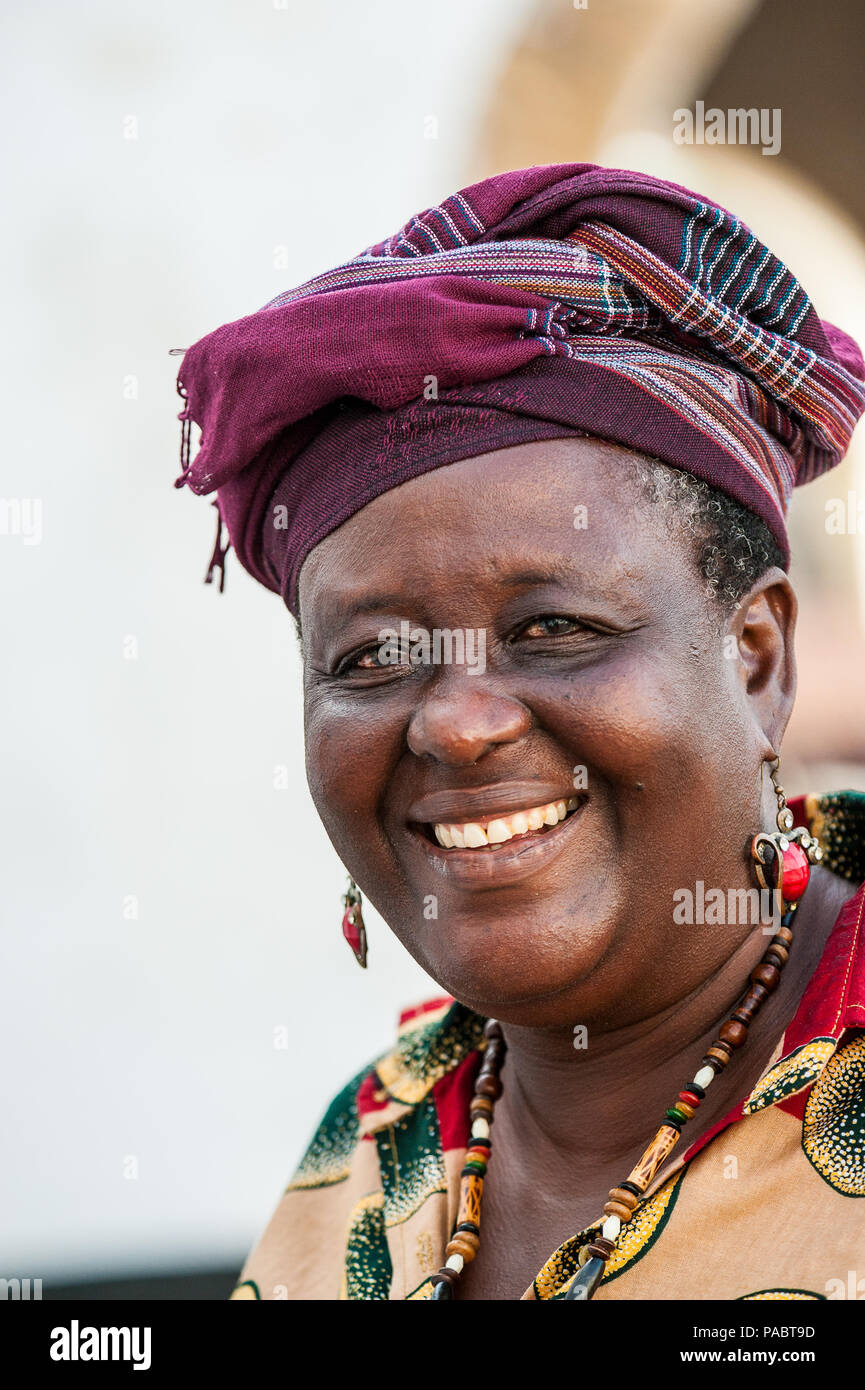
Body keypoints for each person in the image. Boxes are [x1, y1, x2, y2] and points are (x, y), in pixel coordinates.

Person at [175, 164, 865, 1300]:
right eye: (370, 657)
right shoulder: (368, 1148)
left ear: (756, 661)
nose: (456, 723)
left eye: (554, 627)